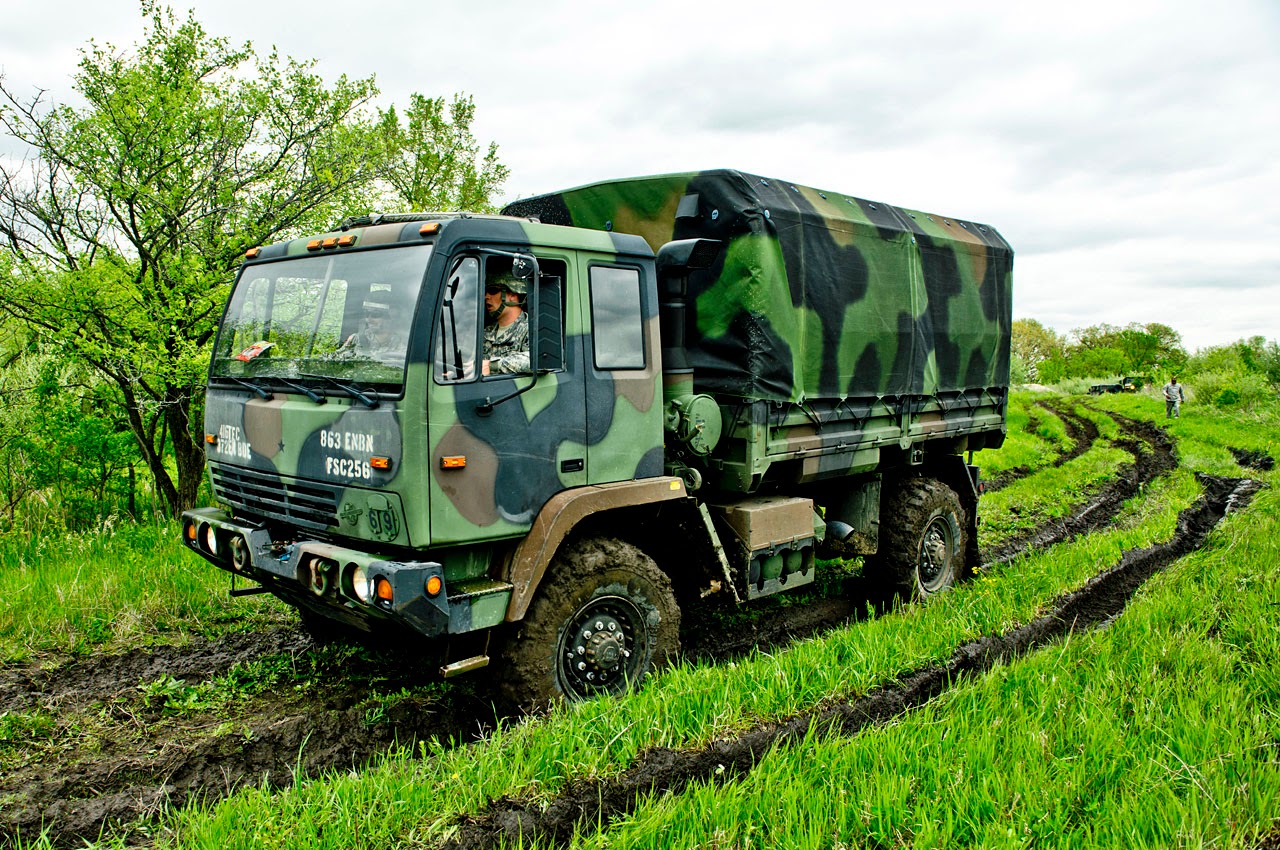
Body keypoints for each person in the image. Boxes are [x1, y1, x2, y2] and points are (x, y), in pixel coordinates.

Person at [482, 273, 530, 375]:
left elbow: (539, 361)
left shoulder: (532, 329)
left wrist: (493, 366)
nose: (486, 296)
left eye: (493, 291)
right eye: (486, 292)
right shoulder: (486, 332)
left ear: (512, 294)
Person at [337, 293, 407, 363]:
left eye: (375, 314)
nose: (368, 320)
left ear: (391, 317)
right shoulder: (356, 339)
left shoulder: (405, 344)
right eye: (366, 314)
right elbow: (336, 364)